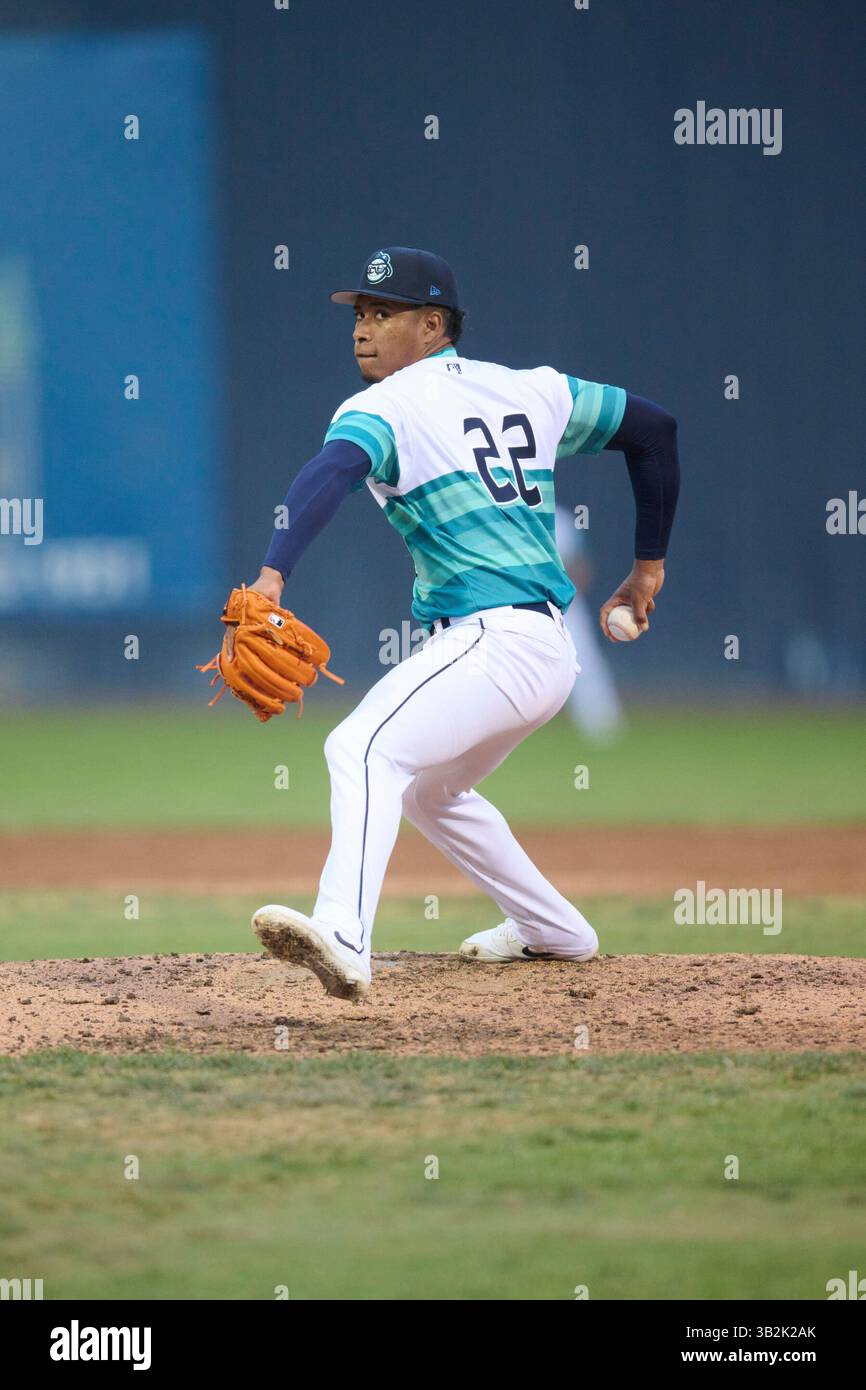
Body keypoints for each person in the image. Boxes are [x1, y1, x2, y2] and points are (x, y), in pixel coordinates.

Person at [249, 246, 679, 1001]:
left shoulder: (383, 407)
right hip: (543, 652)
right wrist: (648, 568)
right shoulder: (535, 389)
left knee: (360, 749)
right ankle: (554, 931)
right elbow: (656, 431)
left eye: (383, 313)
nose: (362, 328)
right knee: (429, 791)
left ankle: (345, 938)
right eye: (359, 313)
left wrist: (274, 570)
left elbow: (331, 473)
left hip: (496, 642)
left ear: (433, 323)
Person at [554, 503, 625, 742]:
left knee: (584, 662)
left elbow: (582, 567)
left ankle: (600, 723)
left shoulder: (559, 518)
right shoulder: (509, 512)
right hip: (525, 605)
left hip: (566, 605)